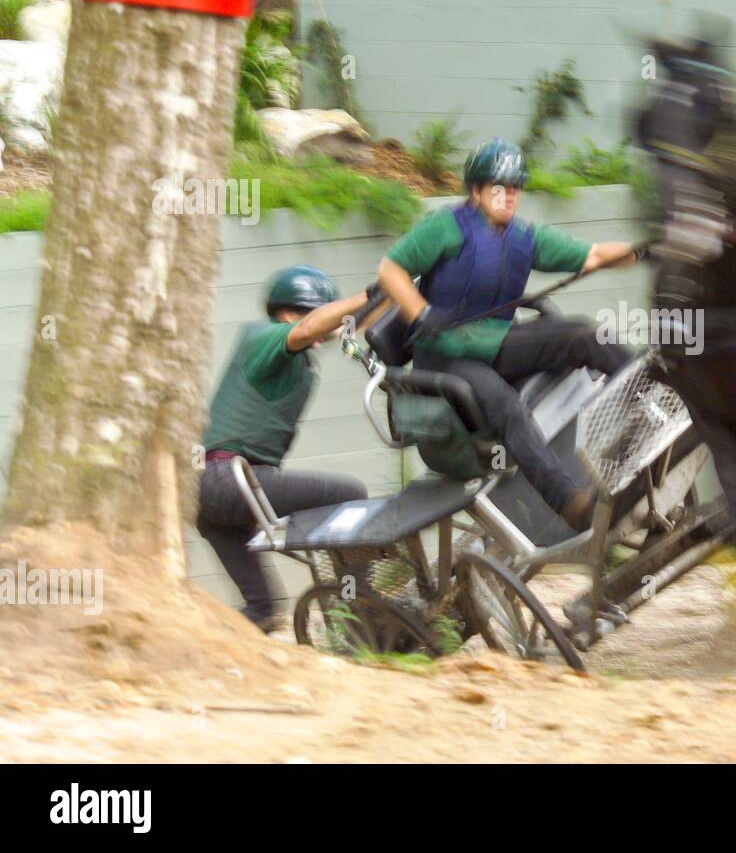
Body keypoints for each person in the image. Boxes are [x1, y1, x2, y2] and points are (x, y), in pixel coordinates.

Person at [376, 138, 641, 531]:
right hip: (447, 357)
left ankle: (656, 397)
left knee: (584, 333)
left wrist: (643, 252)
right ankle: (568, 502)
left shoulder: (523, 238)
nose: (508, 195)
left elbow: (595, 255)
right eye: (498, 188)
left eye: (515, 188)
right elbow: (390, 270)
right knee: (507, 405)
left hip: (494, 344)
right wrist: (421, 312)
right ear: (477, 191)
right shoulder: (445, 227)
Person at [198, 266, 372, 631]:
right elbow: (312, 328)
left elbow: (349, 326)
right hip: (228, 481)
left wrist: (399, 293)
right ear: (290, 315)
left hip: (212, 495)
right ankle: (359, 614)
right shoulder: (266, 337)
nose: (324, 331)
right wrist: (370, 294)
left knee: (264, 609)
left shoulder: (289, 352)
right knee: (352, 494)